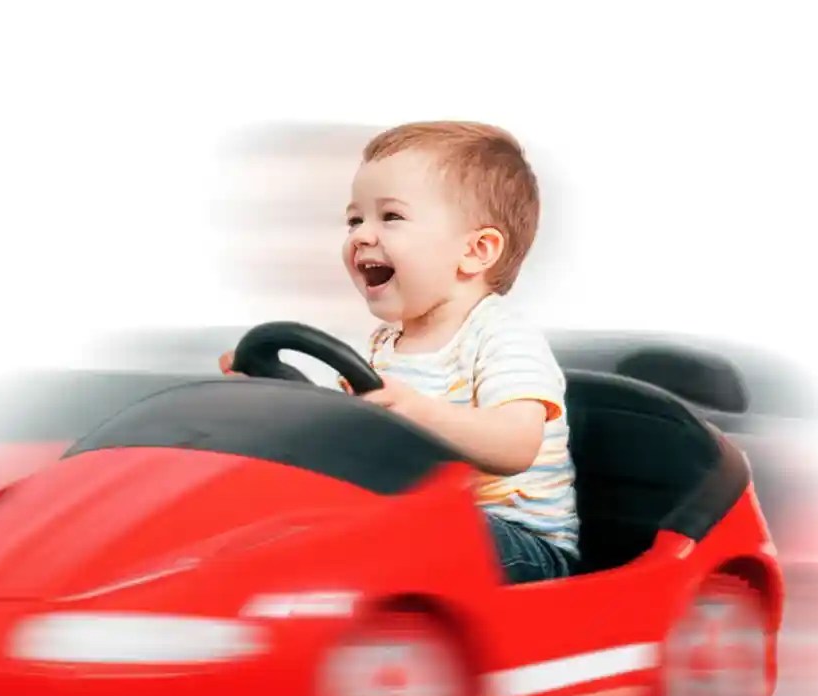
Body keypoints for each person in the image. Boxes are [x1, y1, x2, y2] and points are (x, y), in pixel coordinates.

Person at [220, 121, 577, 583]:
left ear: (476, 251)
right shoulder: (383, 346)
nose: (361, 236)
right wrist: (273, 398)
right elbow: (345, 432)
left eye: (390, 217)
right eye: (354, 220)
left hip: (521, 544)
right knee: (282, 512)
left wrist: (417, 411)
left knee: (391, 531)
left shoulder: (502, 337)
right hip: (418, 521)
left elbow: (516, 445)